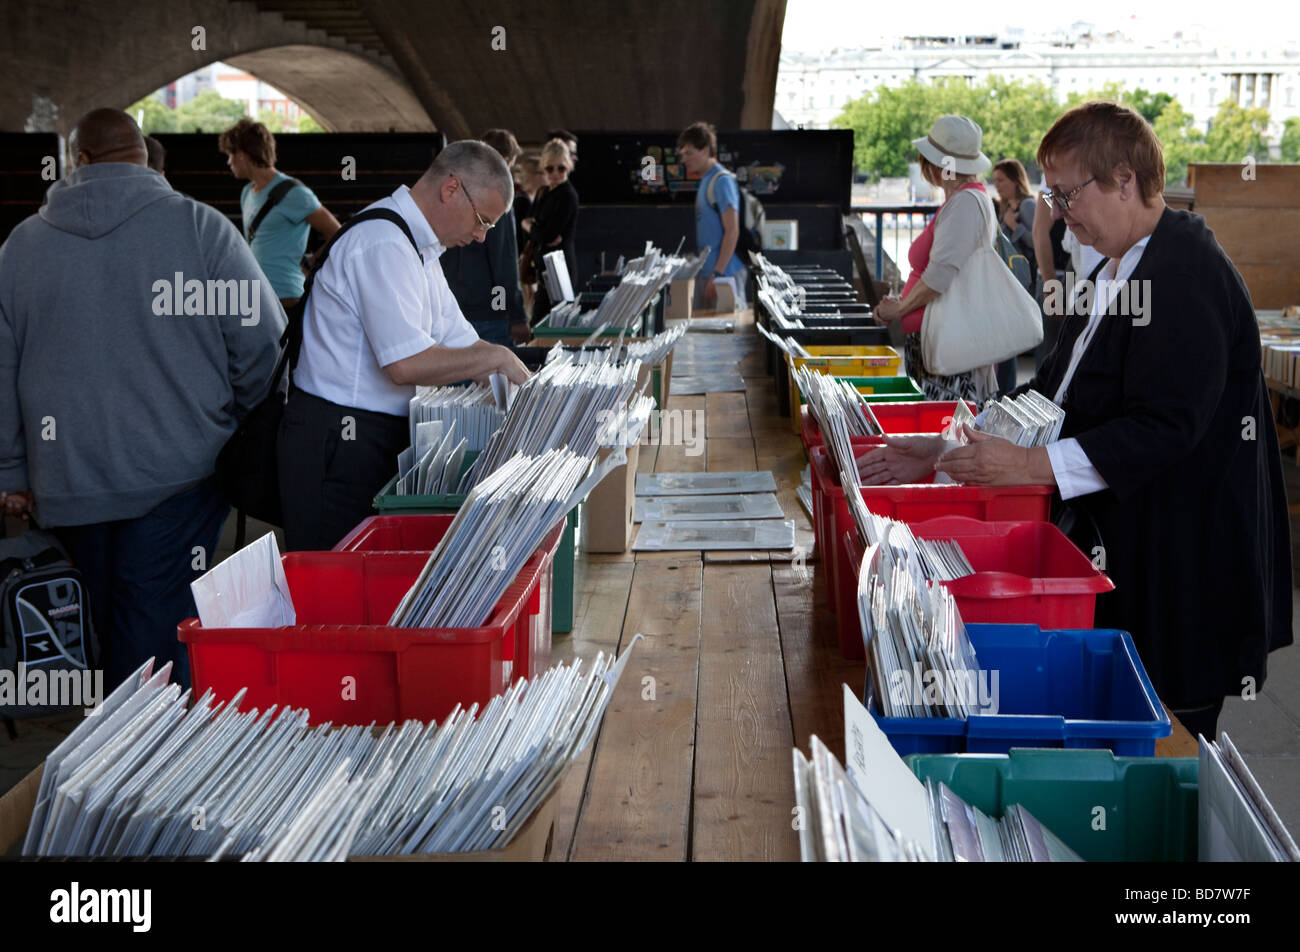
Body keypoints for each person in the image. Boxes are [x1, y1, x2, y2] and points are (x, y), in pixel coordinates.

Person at [861, 101, 1292, 740]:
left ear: (1124, 178)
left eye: (1067, 195)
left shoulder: (1186, 271)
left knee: (1170, 738)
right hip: (1129, 550)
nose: (1059, 214)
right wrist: (945, 447)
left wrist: (1030, 463)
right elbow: (1050, 392)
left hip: (1183, 566)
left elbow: (1167, 427)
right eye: (1053, 197)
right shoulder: (1113, 264)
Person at [0, 108, 283, 688]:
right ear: (142, 155)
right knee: (155, 629)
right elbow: (263, 350)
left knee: (93, 621)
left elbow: (3, 368)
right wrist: (246, 431)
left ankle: (105, 738)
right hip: (180, 475)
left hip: (66, 478)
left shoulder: (20, 248)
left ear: (79, 160)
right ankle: (141, 754)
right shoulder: (202, 229)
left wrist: (11, 468)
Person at [277, 140, 532, 551]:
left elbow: (460, 339)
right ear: (451, 189)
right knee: (335, 585)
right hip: (339, 442)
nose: (483, 237)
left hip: (365, 437)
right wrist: (498, 356)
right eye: (483, 219)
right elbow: (406, 365)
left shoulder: (420, 249)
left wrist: (531, 391)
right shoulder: (384, 242)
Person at [870, 116, 998, 402]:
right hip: (941, 345)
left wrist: (899, 309)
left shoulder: (965, 204)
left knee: (945, 437)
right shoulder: (964, 200)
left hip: (948, 350)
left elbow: (938, 277)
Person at [219, 118, 341, 310]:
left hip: (287, 299)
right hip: (255, 299)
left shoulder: (295, 194)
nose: (229, 162)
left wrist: (310, 264)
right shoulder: (247, 193)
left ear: (241, 155)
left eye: (230, 155)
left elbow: (338, 233)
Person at [441, 129, 530, 346]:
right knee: (493, 379)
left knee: (454, 379)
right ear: (506, 161)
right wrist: (516, 316)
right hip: (489, 315)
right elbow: (503, 263)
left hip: (450, 312)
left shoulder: (453, 190)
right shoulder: (499, 199)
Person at [676, 121, 748, 311]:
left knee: (729, 335)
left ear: (706, 150)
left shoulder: (721, 181)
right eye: (682, 154)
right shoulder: (706, 181)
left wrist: (718, 273)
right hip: (711, 274)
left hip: (725, 273)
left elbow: (732, 231)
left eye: (689, 153)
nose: (684, 159)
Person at [990, 158, 1039, 392]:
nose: (997, 185)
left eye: (1001, 180)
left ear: (1014, 180)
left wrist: (1015, 227)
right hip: (1004, 281)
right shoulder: (1004, 206)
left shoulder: (1027, 206)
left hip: (1019, 281)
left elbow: (1038, 242)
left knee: (1008, 339)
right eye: (995, 180)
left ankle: (1006, 391)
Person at [523, 138, 579, 322]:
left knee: (552, 327)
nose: (555, 174)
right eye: (550, 169)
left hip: (560, 271)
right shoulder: (543, 193)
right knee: (538, 325)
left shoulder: (567, 195)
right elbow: (527, 223)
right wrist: (536, 229)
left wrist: (536, 229)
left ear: (569, 167)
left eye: (561, 168)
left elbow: (548, 235)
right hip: (542, 270)